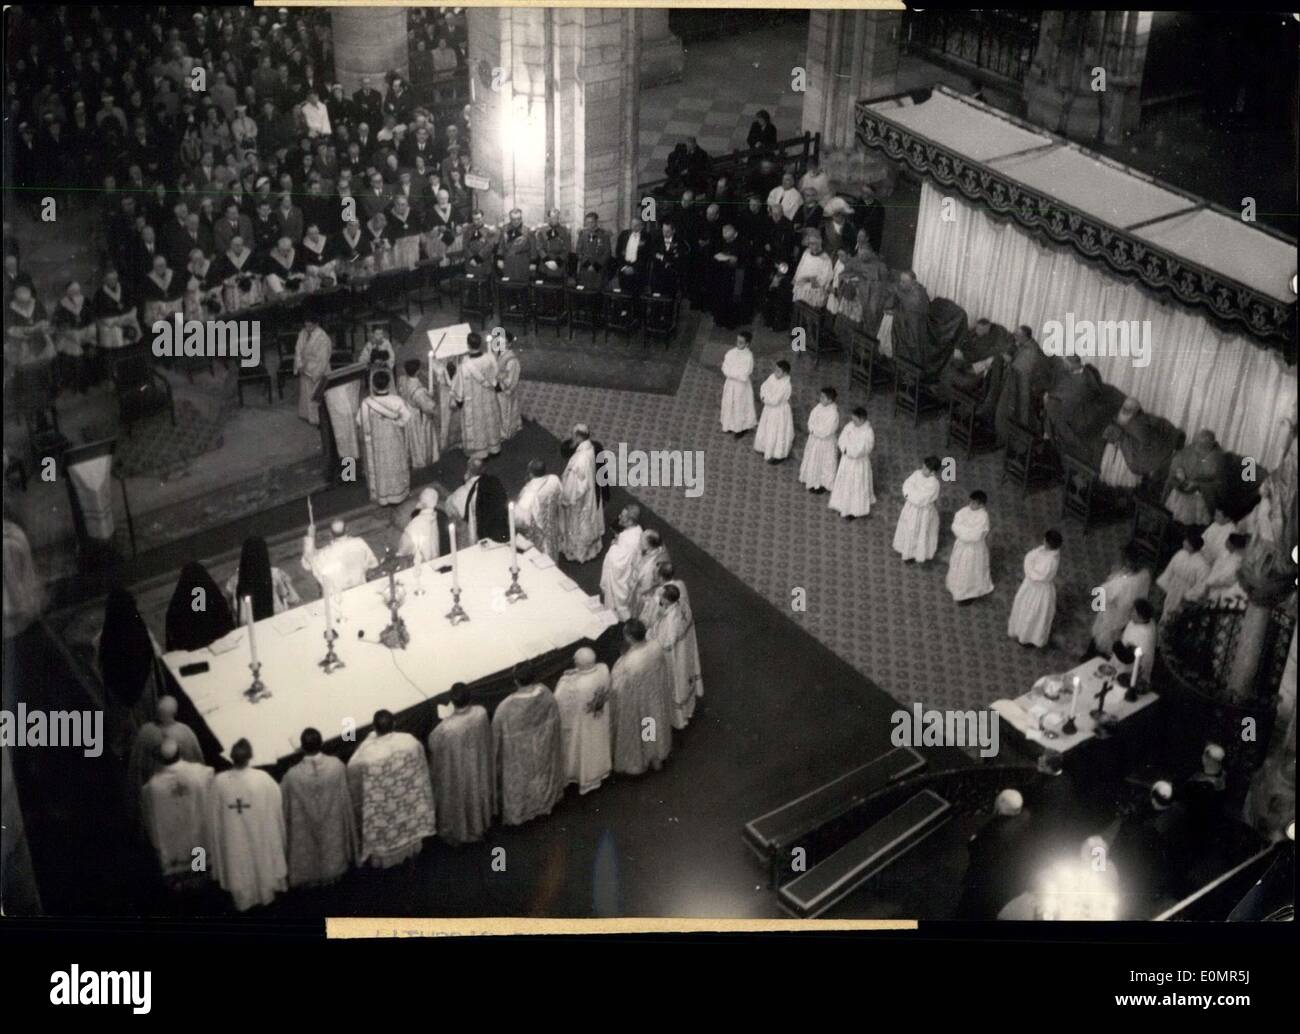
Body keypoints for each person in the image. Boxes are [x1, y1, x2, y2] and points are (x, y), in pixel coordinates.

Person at [347, 710, 437, 867]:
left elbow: (352, 773)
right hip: (408, 800)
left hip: (384, 808)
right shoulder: (409, 741)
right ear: (394, 724)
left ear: (374, 728)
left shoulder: (365, 754)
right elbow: (422, 764)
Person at [207, 738, 288, 912]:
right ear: (250, 757)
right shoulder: (263, 778)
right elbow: (277, 803)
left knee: (238, 865)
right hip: (259, 834)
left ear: (231, 758)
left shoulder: (219, 781)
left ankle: (244, 902)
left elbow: (213, 815)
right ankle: (266, 896)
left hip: (233, 837)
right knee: (261, 861)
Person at [281, 728, 359, 888]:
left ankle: (311, 876)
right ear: (322, 743)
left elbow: (284, 803)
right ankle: (335, 872)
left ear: (301, 747)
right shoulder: (336, 766)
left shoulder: (292, 776)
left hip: (306, 826)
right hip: (332, 821)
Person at [140, 737, 214, 890]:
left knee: (184, 891)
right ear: (180, 752)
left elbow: (150, 821)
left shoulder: (150, 789)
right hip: (199, 839)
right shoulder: (202, 774)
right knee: (202, 878)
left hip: (175, 849)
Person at [427, 683, 494, 846]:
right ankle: (479, 826)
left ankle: (462, 832)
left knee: (460, 797)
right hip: (477, 765)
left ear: (453, 702)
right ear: (470, 698)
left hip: (458, 770)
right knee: (476, 793)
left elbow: (432, 744)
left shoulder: (445, 728)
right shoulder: (481, 712)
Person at [492, 677, 565, 826]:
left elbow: (495, 737)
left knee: (522, 782)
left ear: (516, 681)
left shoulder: (505, 707)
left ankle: (522, 813)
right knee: (542, 776)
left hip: (519, 755)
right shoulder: (545, 693)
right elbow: (556, 719)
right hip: (542, 748)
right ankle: (545, 803)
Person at [954, 789, 1035, 920]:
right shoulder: (1026, 816)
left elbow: (978, 851)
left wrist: (973, 841)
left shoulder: (995, 830)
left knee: (971, 905)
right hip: (1008, 876)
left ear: (1002, 803)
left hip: (986, 877)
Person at [609, 619, 675, 776]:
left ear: (630, 637)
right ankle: (659, 754)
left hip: (642, 703)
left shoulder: (629, 661)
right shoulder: (655, 646)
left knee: (648, 729)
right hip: (657, 694)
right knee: (657, 724)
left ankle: (650, 758)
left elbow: (617, 687)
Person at [553, 647, 613, 795]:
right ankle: (602, 770)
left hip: (583, 725)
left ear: (578, 663)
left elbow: (558, 703)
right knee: (599, 744)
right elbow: (594, 668)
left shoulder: (571, 685)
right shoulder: (603, 670)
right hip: (599, 718)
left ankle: (586, 778)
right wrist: (577, 672)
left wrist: (566, 678)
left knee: (583, 748)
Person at [646, 584, 702, 730]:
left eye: (662, 597)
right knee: (684, 680)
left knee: (675, 684)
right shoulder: (683, 605)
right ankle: (687, 709)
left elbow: (664, 645)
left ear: (667, 600)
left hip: (674, 660)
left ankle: (674, 720)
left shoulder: (671, 621)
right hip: (685, 653)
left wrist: (650, 634)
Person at [356, 369, 413, 506]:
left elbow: (359, 422)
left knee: (381, 468)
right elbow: (407, 417)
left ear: (373, 385)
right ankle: (399, 494)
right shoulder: (397, 401)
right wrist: (396, 423)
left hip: (377, 444)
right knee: (395, 464)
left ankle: (383, 497)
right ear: (388, 384)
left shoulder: (366, 403)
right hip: (394, 441)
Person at [127, 695, 204, 791]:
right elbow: (197, 761)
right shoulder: (184, 731)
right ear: (174, 712)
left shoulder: (145, 732)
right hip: (182, 789)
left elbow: (136, 769)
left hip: (154, 791)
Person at [1087, 543, 1151, 658]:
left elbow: (1099, 597)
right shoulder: (1145, 575)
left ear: (1126, 562)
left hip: (1112, 615)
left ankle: (1092, 656)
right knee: (1116, 639)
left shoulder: (1120, 583)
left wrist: (1101, 609)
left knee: (1102, 638)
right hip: (1128, 616)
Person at [450, 331, 503, 460]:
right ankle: (494, 448)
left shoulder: (464, 366)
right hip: (488, 398)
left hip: (473, 403)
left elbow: (459, 388)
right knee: (489, 421)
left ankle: (480, 453)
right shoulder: (490, 358)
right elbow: (496, 375)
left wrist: (458, 401)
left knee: (477, 426)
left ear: (468, 345)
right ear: (480, 344)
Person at [1007, 530, 1063, 648]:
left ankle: (1028, 638)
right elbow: (1029, 556)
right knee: (1023, 608)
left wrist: (1029, 569)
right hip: (1030, 586)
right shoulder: (1042, 550)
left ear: (1048, 543)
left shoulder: (1052, 560)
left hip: (1039, 591)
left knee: (1034, 614)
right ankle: (1020, 632)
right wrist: (1030, 567)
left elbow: (1038, 576)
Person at [164, 561, 235, 652]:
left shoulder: (176, 604)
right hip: (219, 646)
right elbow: (226, 621)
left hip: (189, 651)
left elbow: (172, 636)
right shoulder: (213, 596)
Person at [228, 535, 301, 622]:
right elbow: (294, 599)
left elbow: (234, 607)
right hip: (277, 618)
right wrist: (287, 583)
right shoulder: (275, 573)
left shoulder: (234, 580)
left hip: (250, 624)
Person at [560, 424, 604, 562]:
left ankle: (577, 552)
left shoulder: (580, 460)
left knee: (577, 524)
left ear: (578, 437)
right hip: (591, 491)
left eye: (573, 435)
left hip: (579, 499)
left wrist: (565, 499)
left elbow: (576, 487)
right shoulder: (591, 447)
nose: (572, 438)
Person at [1165, 429, 1226, 527]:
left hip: (1201, 497)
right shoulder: (1194, 447)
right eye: (1197, 444)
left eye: (1202, 446)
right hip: (1185, 488)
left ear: (1210, 445)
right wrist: (1179, 470)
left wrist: (1198, 484)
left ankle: (1181, 529)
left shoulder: (1218, 459)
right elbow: (1180, 458)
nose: (1197, 448)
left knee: (1186, 510)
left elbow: (1218, 485)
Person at [303, 519, 379, 596]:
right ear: (347, 529)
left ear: (330, 534)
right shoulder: (359, 543)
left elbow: (308, 562)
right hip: (362, 593)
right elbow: (373, 564)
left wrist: (310, 536)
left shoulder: (324, 554)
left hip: (339, 600)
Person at [828, 406, 877, 519]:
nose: (853, 422)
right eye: (852, 419)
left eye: (855, 421)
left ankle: (854, 510)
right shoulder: (850, 426)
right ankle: (842, 505)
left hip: (858, 463)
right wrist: (844, 448)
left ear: (862, 420)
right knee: (845, 482)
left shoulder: (868, 432)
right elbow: (842, 438)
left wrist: (849, 450)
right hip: (846, 461)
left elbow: (863, 448)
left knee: (856, 485)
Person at [447, 457, 510, 543]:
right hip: (499, 530)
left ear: (468, 471)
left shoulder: (459, 494)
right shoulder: (494, 482)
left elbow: (450, 507)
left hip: (477, 536)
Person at [947, 490, 994, 604]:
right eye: (970, 502)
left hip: (974, 550)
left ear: (981, 505)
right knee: (958, 567)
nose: (970, 505)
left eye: (974, 503)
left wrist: (964, 531)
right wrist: (965, 532)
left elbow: (976, 535)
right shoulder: (964, 511)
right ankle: (956, 588)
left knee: (970, 570)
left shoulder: (983, 517)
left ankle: (969, 594)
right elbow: (955, 525)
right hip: (961, 546)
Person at [893, 456, 943, 563]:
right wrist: (909, 494)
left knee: (918, 531)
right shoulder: (917, 473)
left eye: (925, 469)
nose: (922, 470)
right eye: (923, 467)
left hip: (923, 512)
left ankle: (913, 554)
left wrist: (911, 494)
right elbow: (907, 484)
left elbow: (921, 499)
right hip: (911, 508)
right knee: (907, 527)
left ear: (933, 472)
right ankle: (903, 547)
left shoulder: (934, 484)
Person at [600, 505, 644, 621]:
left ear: (630, 521)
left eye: (622, 516)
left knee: (618, 599)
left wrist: (614, 546)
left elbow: (617, 564)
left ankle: (616, 613)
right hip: (631, 568)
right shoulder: (638, 530)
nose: (619, 517)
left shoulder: (630, 540)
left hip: (624, 574)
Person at [1156, 531, 1211, 621]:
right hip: (1174, 587)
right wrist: (1165, 586)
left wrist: (1187, 597)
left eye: (1186, 541)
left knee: (1179, 616)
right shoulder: (1180, 554)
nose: (1183, 542)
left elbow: (1201, 585)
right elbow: (1170, 570)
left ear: (1192, 546)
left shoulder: (1203, 565)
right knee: (1167, 610)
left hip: (1186, 593)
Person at [397, 358, 440, 469]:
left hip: (407, 412)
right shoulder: (418, 390)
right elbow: (427, 406)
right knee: (420, 439)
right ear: (418, 371)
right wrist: (434, 409)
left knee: (411, 438)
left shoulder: (402, 380)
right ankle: (421, 461)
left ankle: (411, 457)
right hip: (418, 416)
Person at [515, 459, 563, 559]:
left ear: (531, 473)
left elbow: (520, 518)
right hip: (552, 522)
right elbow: (560, 495)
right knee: (551, 545)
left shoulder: (530, 492)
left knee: (540, 552)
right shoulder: (554, 479)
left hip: (538, 529)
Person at [799, 387, 841, 494]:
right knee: (813, 459)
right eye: (821, 396)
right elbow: (811, 420)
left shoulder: (833, 414)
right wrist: (812, 429)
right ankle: (811, 480)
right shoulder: (818, 407)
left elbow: (827, 431)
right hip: (814, 440)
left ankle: (822, 484)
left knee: (823, 463)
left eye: (823, 397)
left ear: (830, 400)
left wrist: (815, 430)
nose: (820, 398)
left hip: (825, 443)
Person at [1186, 532, 1248, 605]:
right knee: (1188, 595)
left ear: (1232, 545)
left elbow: (1226, 578)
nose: (1226, 541)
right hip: (1210, 583)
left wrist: (1209, 585)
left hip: (1221, 589)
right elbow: (1215, 569)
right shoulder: (1225, 553)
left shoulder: (1236, 561)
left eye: (1228, 540)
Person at [754, 360, 794, 463]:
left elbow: (775, 400)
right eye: (775, 370)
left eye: (778, 371)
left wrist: (765, 398)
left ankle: (778, 454)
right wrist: (764, 396)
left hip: (779, 412)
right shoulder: (772, 377)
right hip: (769, 409)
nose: (775, 372)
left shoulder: (786, 385)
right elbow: (764, 387)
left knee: (777, 432)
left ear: (785, 374)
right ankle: (764, 447)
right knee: (767, 428)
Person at [720, 331, 757, 437]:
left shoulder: (749, 357)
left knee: (740, 406)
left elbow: (744, 375)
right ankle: (729, 424)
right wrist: (733, 373)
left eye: (741, 342)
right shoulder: (731, 352)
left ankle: (741, 428)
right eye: (737, 341)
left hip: (741, 387)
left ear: (747, 344)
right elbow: (725, 368)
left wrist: (731, 373)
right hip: (730, 384)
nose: (738, 344)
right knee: (729, 404)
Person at [632, 530, 670, 620]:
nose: (638, 542)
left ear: (648, 546)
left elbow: (646, 585)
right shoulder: (657, 547)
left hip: (648, 592)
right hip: (648, 584)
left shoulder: (653, 566)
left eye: (641, 541)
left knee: (641, 611)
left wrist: (636, 587)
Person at [398, 487, 444, 561]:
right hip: (436, 556)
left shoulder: (414, 525)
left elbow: (403, 549)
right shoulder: (440, 517)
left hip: (420, 563)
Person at [492, 330, 523, 440]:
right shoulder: (499, 354)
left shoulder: (512, 361)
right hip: (499, 386)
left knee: (505, 412)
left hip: (505, 391)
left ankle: (505, 433)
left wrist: (498, 386)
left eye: (504, 343)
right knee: (500, 410)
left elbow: (510, 380)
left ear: (509, 344)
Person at [1120, 599, 1157, 686]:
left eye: (1133, 611)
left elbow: (1135, 659)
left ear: (1140, 617)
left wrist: (1119, 644)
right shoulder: (1147, 621)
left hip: (1132, 666)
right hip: (1126, 654)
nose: (1130, 611)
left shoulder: (1144, 635)